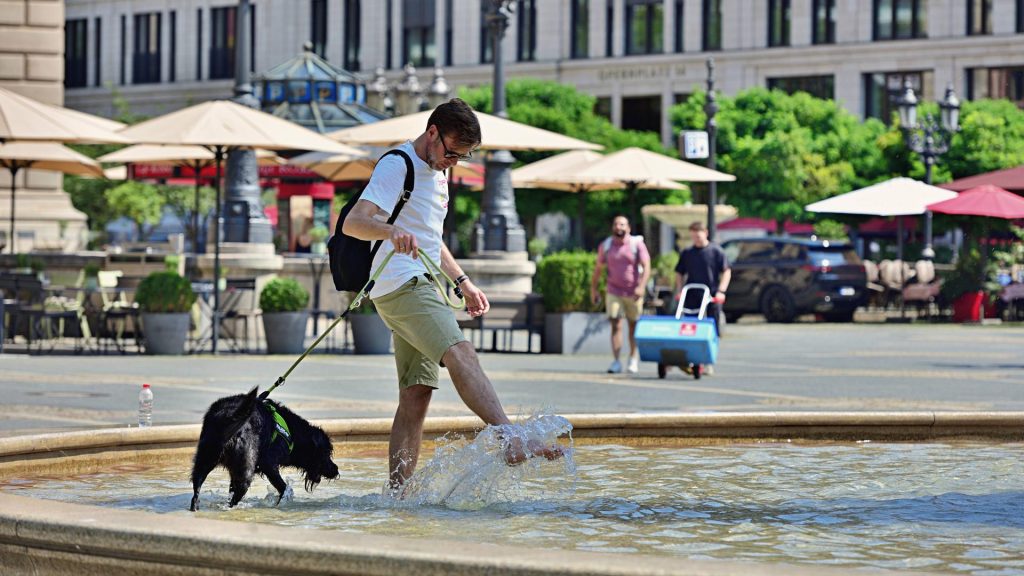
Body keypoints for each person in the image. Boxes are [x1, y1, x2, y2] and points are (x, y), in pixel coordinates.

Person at [341, 98, 562, 493]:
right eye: (452, 152)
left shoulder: (438, 173)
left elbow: (431, 238)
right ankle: (509, 436)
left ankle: (397, 496)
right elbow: (355, 223)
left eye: (464, 156)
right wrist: (390, 232)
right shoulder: (397, 164)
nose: (455, 162)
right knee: (459, 350)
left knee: (417, 394)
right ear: (432, 133)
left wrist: (463, 281)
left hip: (421, 280)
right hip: (399, 280)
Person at [590, 215, 651, 374]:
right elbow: (598, 269)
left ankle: (632, 358)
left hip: (633, 292)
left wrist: (641, 286)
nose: (619, 227)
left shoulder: (636, 245)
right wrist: (594, 289)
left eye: (622, 224)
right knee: (616, 324)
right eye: (616, 224)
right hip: (613, 290)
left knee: (633, 325)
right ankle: (616, 361)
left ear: (628, 228)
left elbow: (646, 266)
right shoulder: (607, 245)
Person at [674, 220, 731, 342]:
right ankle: (692, 348)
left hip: (711, 292)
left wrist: (721, 291)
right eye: (693, 237)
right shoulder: (687, 253)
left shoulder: (716, 251)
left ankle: (712, 345)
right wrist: (679, 290)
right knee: (690, 325)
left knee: (713, 324)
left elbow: (726, 271)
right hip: (692, 292)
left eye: (698, 236)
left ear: (705, 233)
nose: (696, 239)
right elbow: (679, 272)